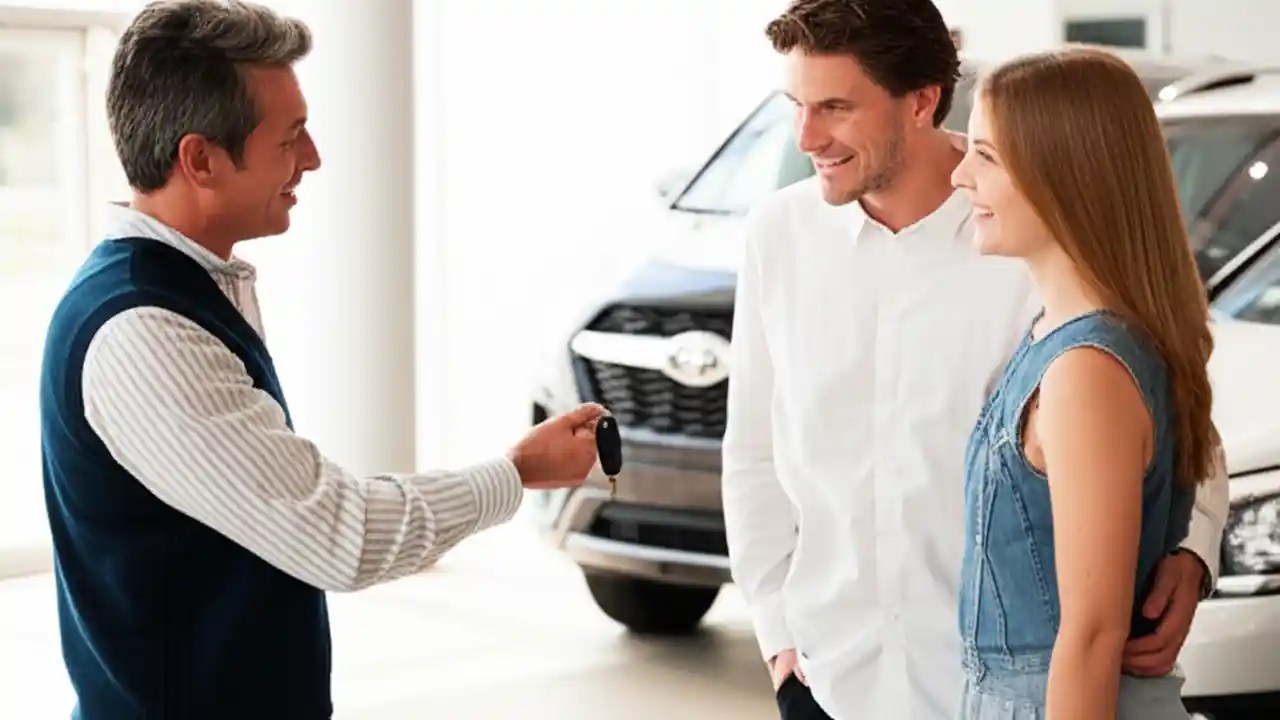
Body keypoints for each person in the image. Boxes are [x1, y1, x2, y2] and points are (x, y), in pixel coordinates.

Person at [38, 2, 605, 718]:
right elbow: (341, 536)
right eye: (291, 137)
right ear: (200, 159)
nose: (313, 159)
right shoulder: (143, 329)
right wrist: (517, 473)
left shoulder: (183, 293)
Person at [719, 1, 1229, 718]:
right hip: (829, 678)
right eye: (795, 105)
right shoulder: (779, 236)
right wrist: (776, 632)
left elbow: (1167, 393)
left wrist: (1192, 548)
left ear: (922, 100)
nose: (806, 136)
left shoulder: (1028, 225)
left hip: (1000, 684)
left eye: (835, 106)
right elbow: (752, 452)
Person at [949, 48, 1215, 719]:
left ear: (1062, 175)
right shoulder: (1064, 339)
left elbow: (1092, 638)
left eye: (986, 156)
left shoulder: (1086, 373)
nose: (959, 175)